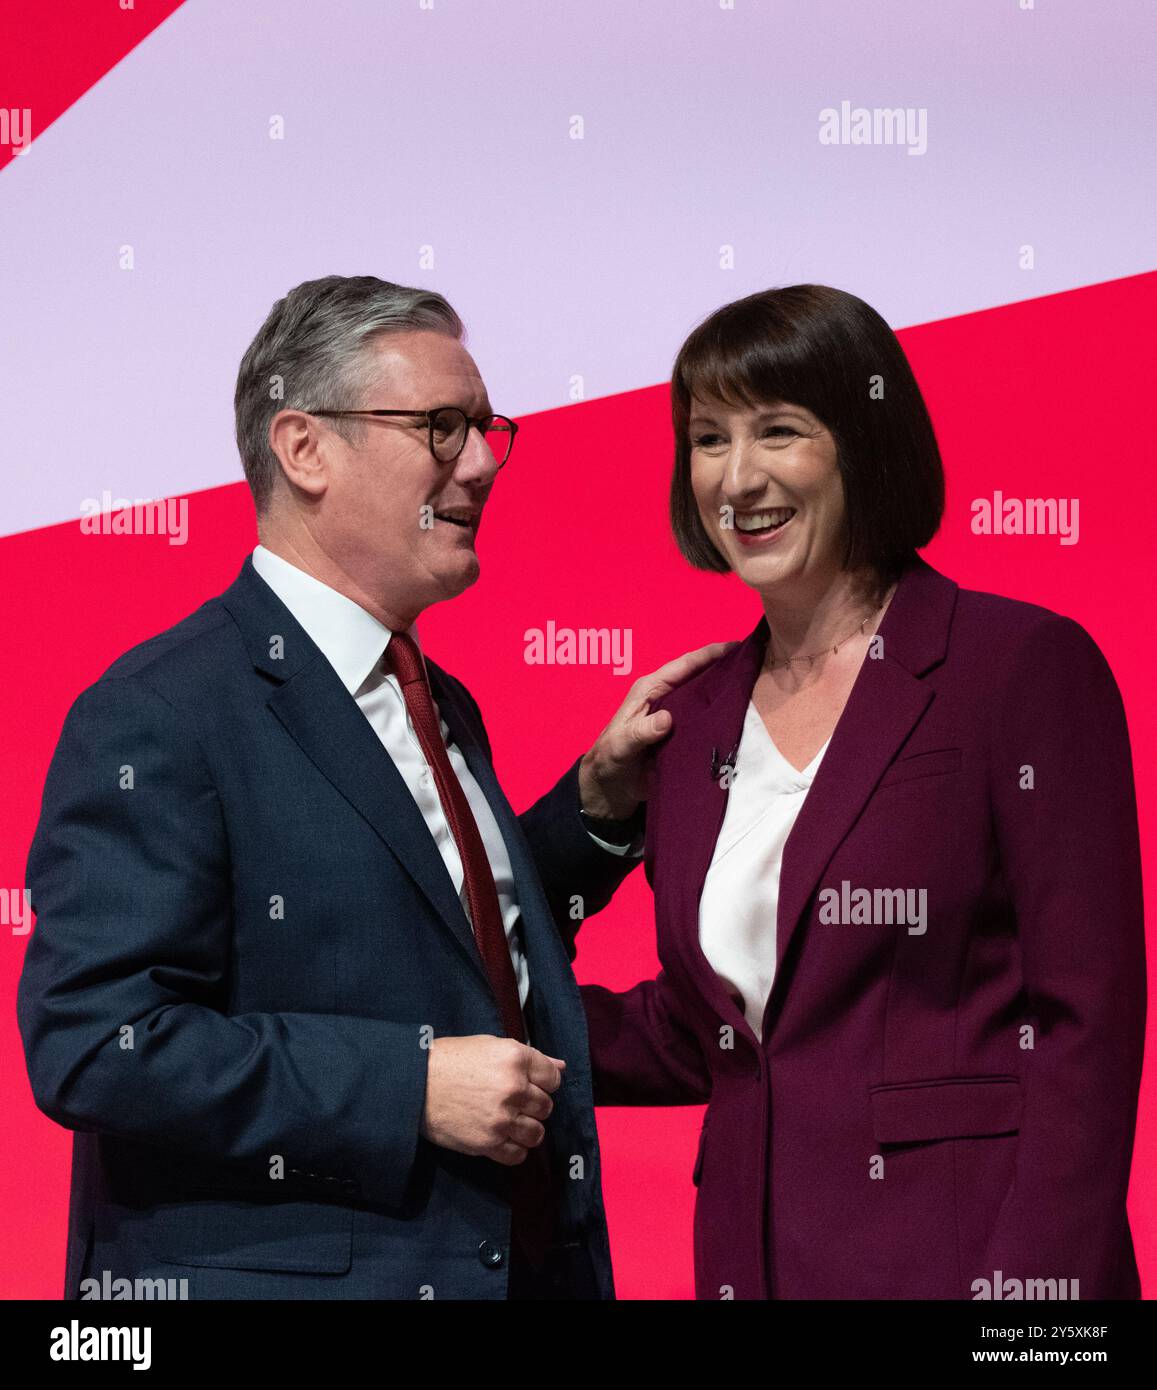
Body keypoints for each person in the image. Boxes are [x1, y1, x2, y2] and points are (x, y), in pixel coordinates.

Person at [16, 274, 725, 1301]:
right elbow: (96, 1042)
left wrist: (595, 811)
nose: (480, 462)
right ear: (304, 448)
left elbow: (440, 956)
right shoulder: (161, 712)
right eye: (441, 426)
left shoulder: (442, 701)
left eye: (485, 429)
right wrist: (408, 1085)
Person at [579, 283, 1146, 1300]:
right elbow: (702, 1028)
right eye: (707, 438)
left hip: (972, 1273)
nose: (736, 477)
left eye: (778, 430)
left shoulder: (1016, 666)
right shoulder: (694, 719)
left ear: (862, 443)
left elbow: (1085, 1021)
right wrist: (454, 1016)